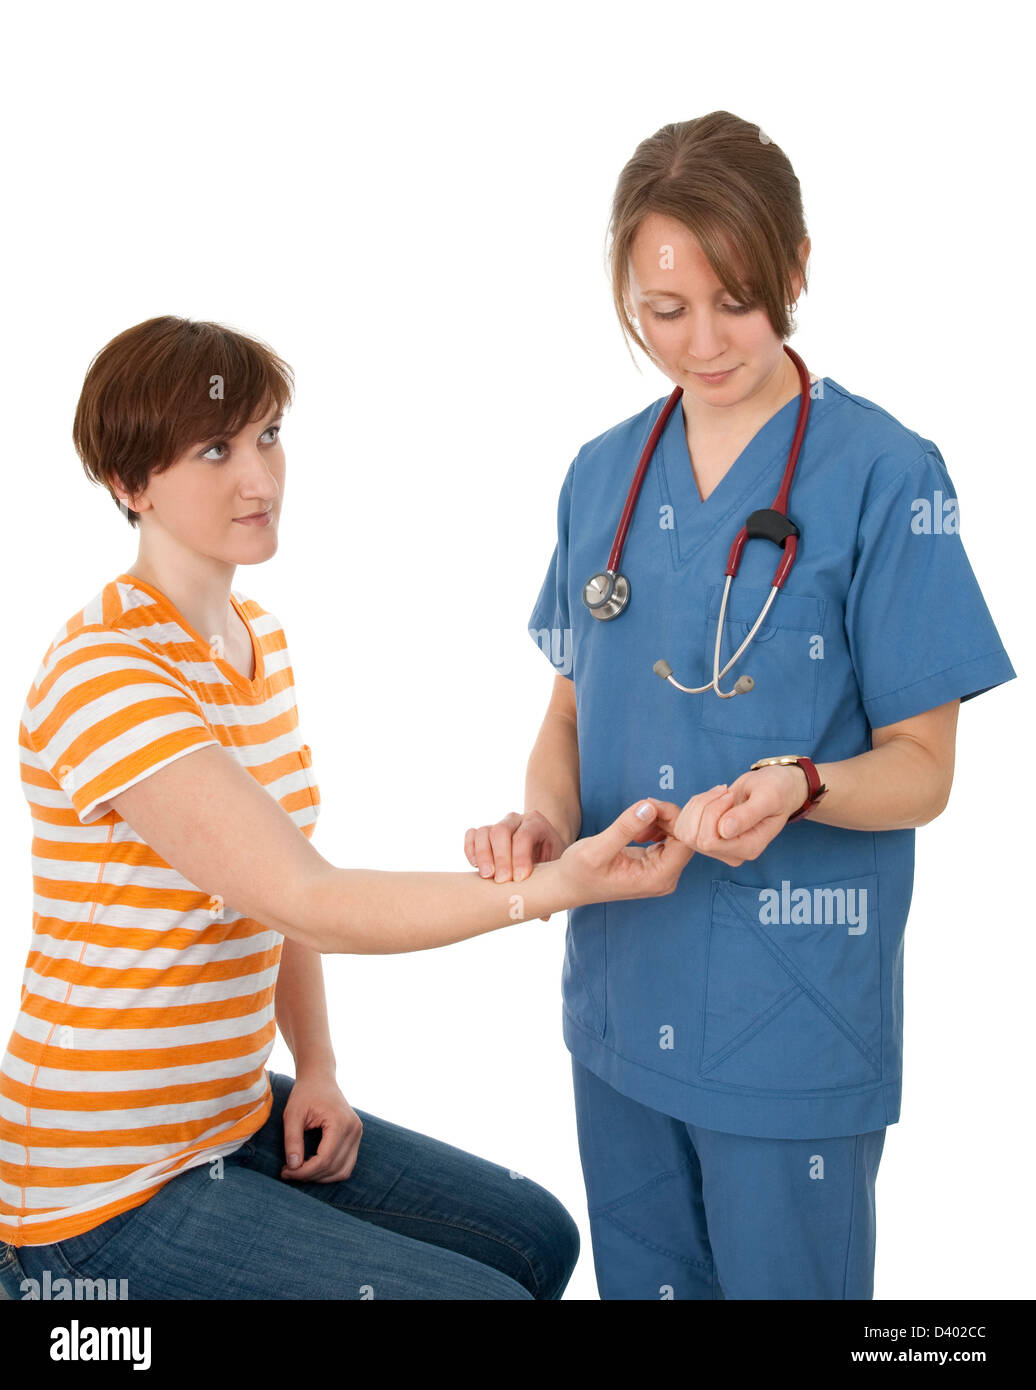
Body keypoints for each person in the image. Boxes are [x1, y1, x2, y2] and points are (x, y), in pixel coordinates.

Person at [0, 316, 694, 1302]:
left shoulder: (257, 642)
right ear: (128, 484)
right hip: (98, 1194)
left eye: (268, 435)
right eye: (214, 451)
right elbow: (308, 896)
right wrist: (552, 885)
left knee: (534, 1240)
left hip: (230, 1117)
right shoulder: (105, 674)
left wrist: (316, 1066)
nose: (260, 478)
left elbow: (273, 893)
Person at [465, 111, 1016, 1300]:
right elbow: (568, 714)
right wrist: (543, 828)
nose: (702, 342)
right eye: (664, 311)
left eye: (738, 301)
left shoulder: (886, 474)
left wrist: (804, 783)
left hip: (791, 1016)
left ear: (798, 268)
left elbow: (924, 763)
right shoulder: (601, 473)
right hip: (618, 1001)